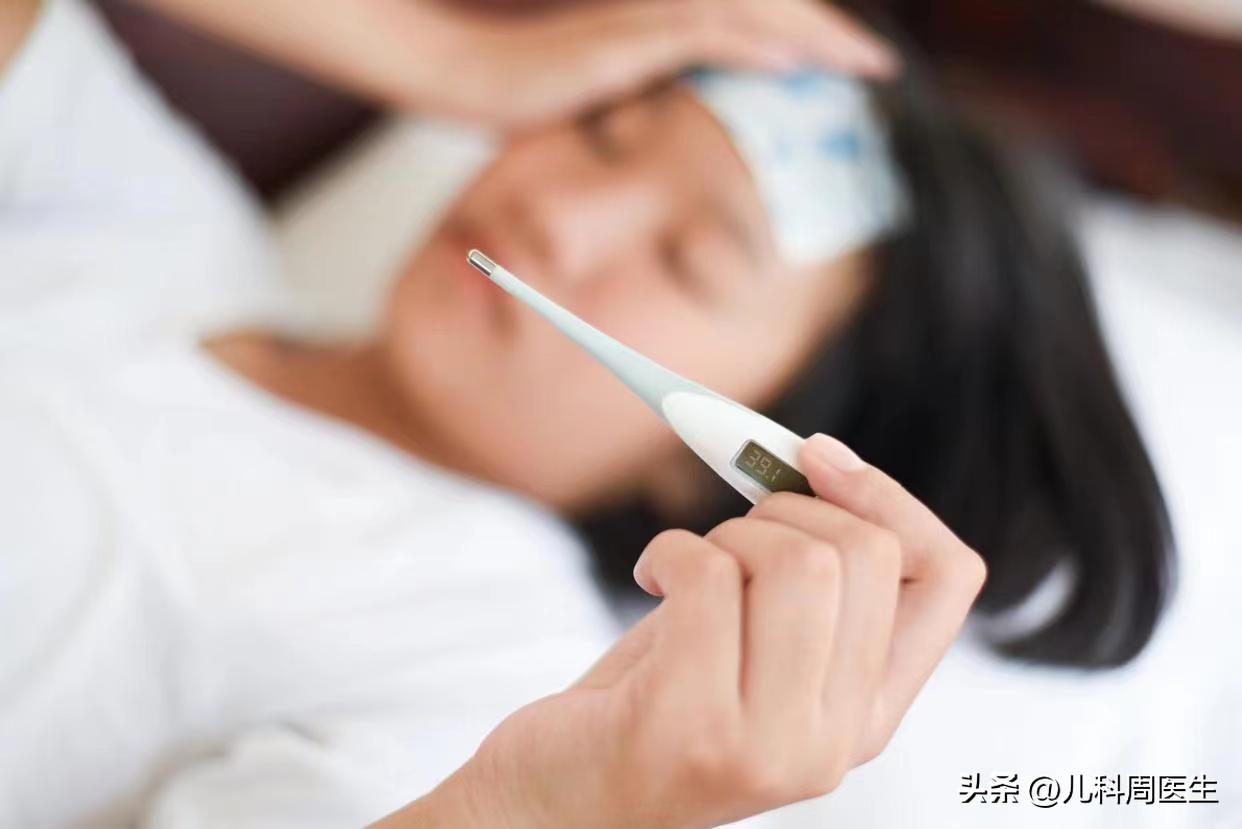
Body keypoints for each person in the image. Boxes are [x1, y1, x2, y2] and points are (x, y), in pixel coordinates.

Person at [0, 1, 991, 828]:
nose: (557, 216)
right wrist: (448, 57)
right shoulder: (162, 222)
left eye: (687, 262)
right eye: (603, 131)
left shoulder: (497, 659)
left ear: (730, 458)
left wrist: (523, 807)